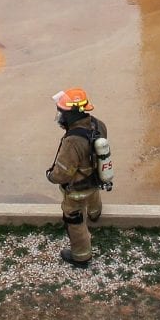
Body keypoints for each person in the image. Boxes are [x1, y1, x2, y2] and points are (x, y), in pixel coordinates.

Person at [44, 87, 109, 268]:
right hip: (95, 179)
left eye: (62, 112)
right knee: (93, 195)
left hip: (77, 190)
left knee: (74, 220)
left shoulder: (72, 141)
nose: (60, 116)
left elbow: (62, 173)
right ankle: (95, 214)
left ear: (72, 114)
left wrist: (50, 176)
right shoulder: (98, 124)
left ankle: (81, 256)